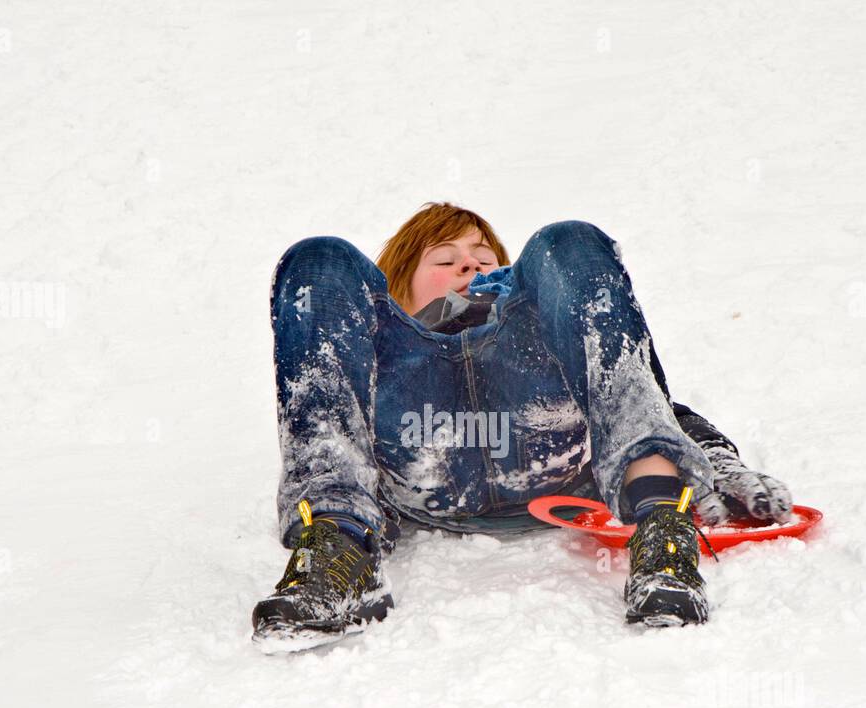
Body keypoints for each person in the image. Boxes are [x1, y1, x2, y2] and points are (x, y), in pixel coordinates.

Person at [252, 202, 793, 650]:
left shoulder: (532, 329)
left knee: (569, 240)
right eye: (445, 259)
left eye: (482, 255)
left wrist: (716, 463)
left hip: (544, 434)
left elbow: (649, 403)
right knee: (318, 259)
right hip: (420, 439)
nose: (469, 264)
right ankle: (336, 548)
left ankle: (662, 530)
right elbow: (333, 416)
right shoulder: (379, 351)